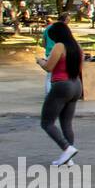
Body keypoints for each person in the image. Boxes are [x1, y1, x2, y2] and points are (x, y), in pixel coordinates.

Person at [37, 20, 84, 167]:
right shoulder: (78, 47)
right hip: (76, 85)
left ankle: (67, 148)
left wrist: (40, 61)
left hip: (62, 86)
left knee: (47, 122)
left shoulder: (59, 46)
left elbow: (49, 67)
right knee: (66, 123)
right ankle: (68, 158)